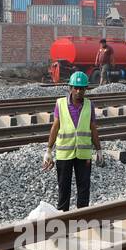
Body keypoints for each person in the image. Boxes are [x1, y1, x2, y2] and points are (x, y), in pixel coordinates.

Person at [42, 70, 102, 211]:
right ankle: (63, 217)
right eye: (76, 87)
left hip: (84, 154)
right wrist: (49, 150)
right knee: (64, 187)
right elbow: (55, 127)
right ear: (70, 88)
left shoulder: (89, 105)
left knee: (84, 188)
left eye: (82, 88)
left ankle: (82, 217)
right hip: (64, 154)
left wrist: (99, 149)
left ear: (86, 89)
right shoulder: (60, 104)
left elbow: (93, 129)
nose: (79, 91)